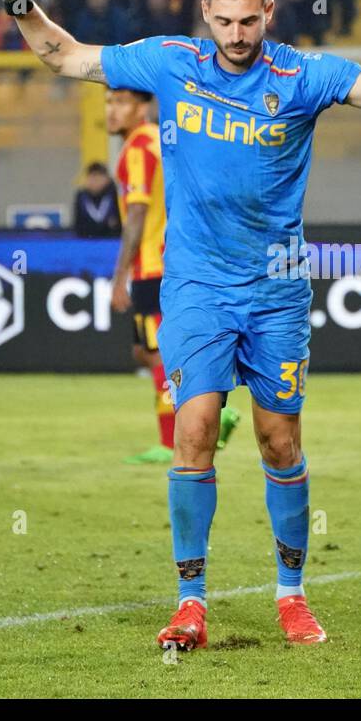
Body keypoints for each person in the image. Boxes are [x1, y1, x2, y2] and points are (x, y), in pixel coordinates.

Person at [0, 0, 361, 649]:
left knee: (279, 442)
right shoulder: (170, 63)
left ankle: (292, 595)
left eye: (249, 20)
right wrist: (20, 1)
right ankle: (190, 603)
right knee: (194, 428)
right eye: (224, 21)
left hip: (276, 287)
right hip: (197, 285)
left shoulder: (304, 78)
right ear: (205, 14)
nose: (237, 35)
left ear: (269, 11)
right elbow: (63, 55)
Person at [106, 87, 240, 465]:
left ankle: (176, 438)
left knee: (159, 355)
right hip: (181, 259)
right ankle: (202, 414)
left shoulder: (136, 149)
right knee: (148, 350)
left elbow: (135, 215)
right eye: (109, 103)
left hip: (153, 266)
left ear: (143, 107)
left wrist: (120, 277)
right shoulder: (166, 142)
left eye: (121, 103)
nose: (112, 111)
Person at [71, 161, 121, 238]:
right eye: (92, 177)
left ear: (107, 179)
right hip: (86, 242)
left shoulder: (115, 195)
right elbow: (78, 224)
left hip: (113, 241)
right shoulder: (81, 197)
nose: (95, 181)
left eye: (99, 177)